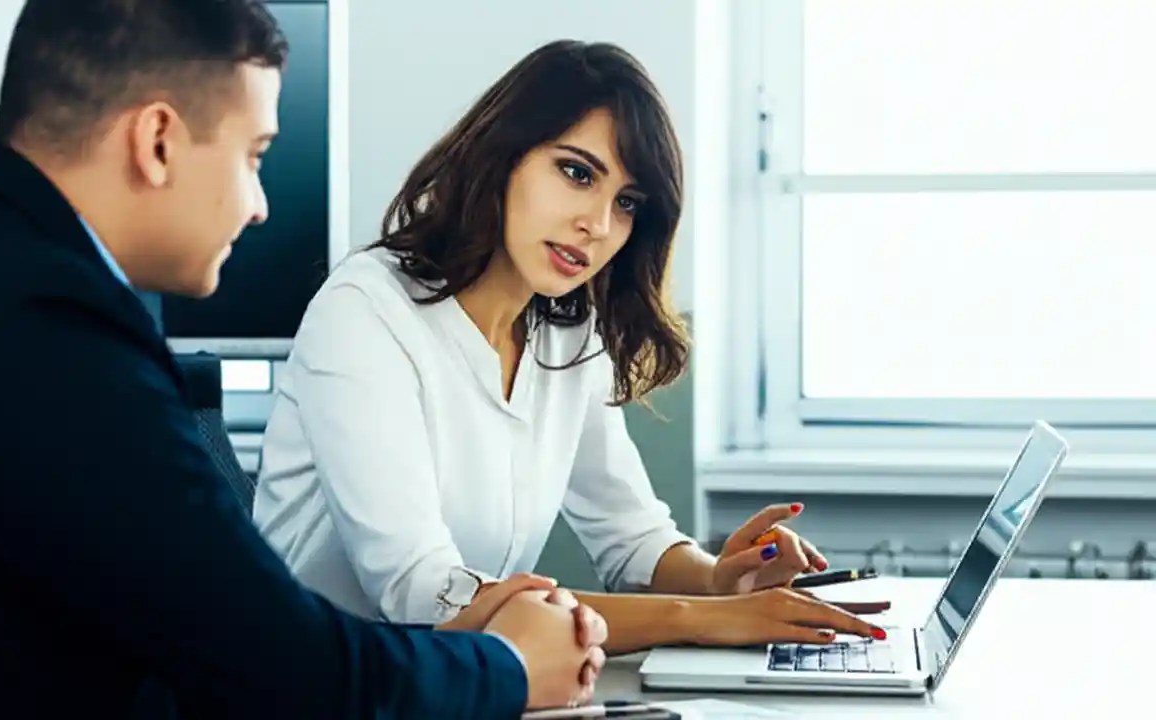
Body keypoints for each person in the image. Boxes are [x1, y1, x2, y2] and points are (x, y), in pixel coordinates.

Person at [0, 2, 607, 717]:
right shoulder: (53, 339)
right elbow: (292, 671)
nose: (259, 204)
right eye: (254, 156)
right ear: (157, 140)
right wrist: (510, 664)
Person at [252, 39, 889, 655]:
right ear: (502, 155)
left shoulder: (565, 330)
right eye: (577, 172)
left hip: (462, 689)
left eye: (628, 202)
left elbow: (634, 540)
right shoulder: (364, 313)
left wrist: (721, 580)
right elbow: (425, 594)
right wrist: (707, 619)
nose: (600, 224)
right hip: (321, 689)